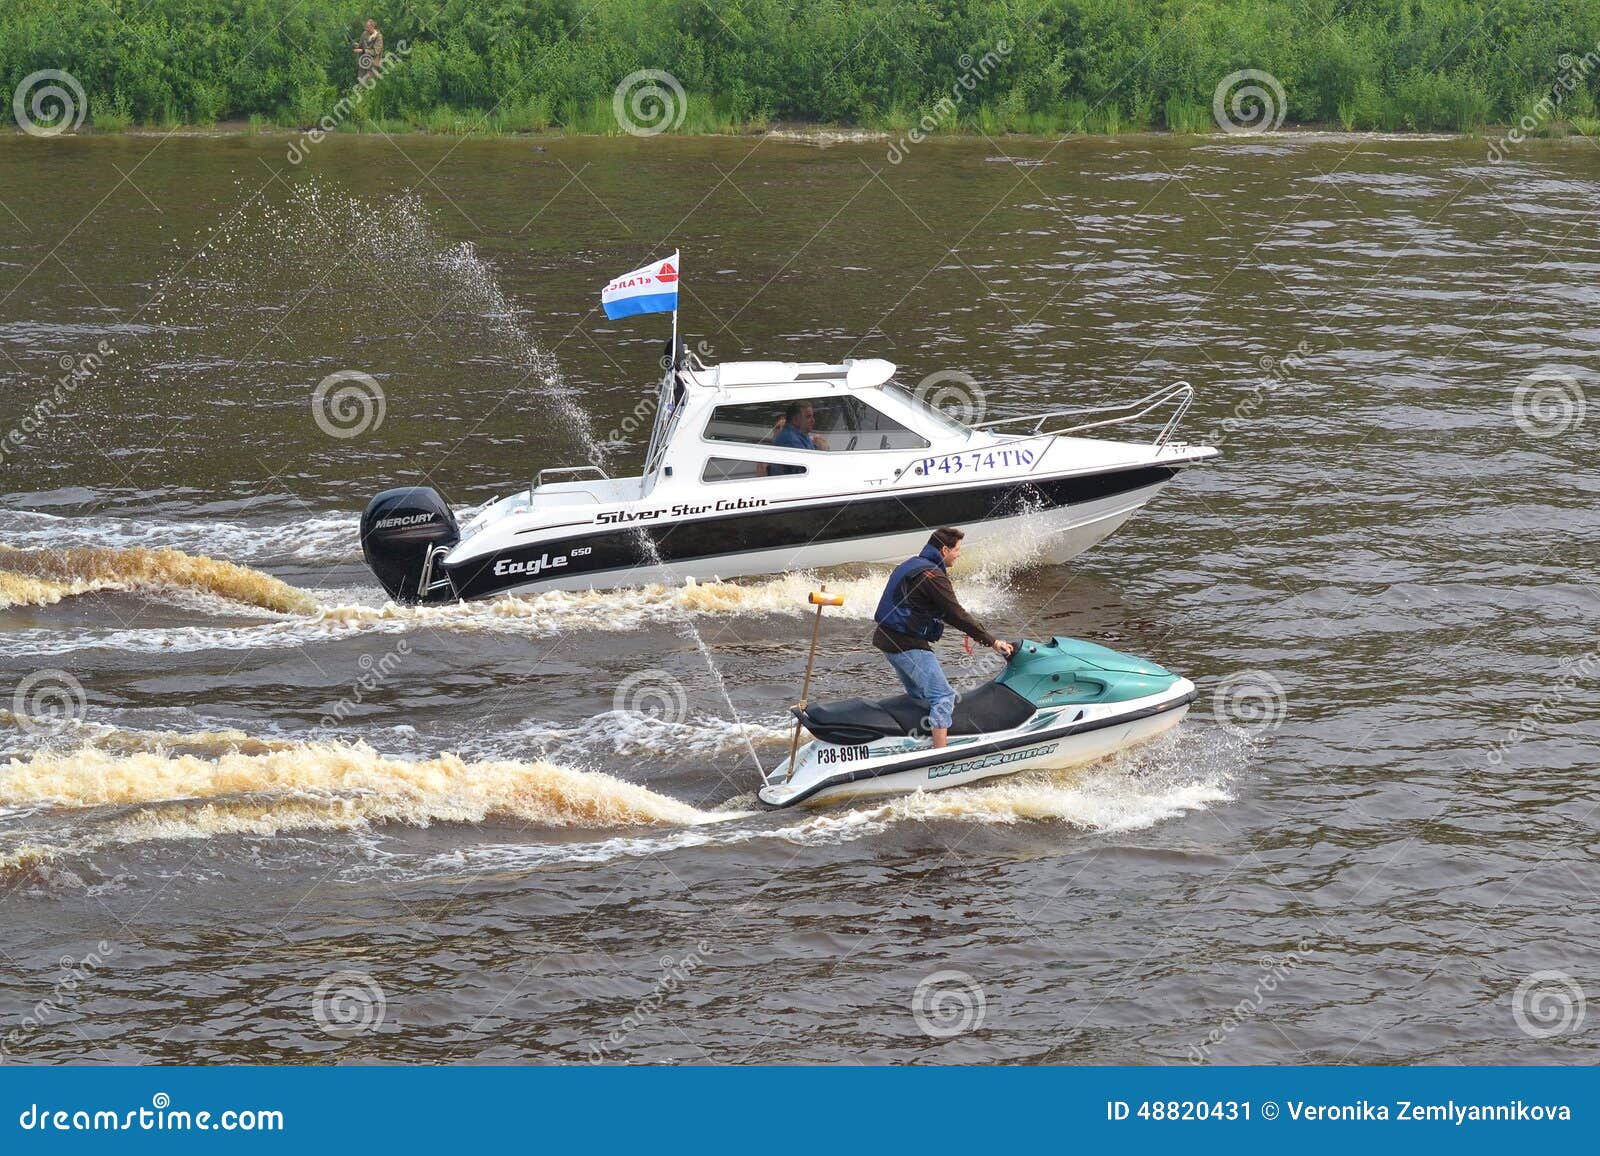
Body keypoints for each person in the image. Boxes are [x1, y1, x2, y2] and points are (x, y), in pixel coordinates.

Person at [873, 527, 1013, 748]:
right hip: (907, 644)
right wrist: (993, 642)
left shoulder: (912, 564)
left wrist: (977, 634)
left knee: (920, 695)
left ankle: (915, 741)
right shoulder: (933, 576)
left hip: (887, 640)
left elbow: (933, 609)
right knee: (943, 696)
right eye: (957, 550)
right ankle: (940, 755)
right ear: (944, 549)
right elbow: (956, 613)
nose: (959, 554)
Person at [767, 401, 828, 476]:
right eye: (808, 417)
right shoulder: (789, 440)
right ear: (796, 419)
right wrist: (823, 452)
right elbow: (808, 470)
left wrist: (819, 447)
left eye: (812, 416)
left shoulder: (800, 434)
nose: (813, 420)